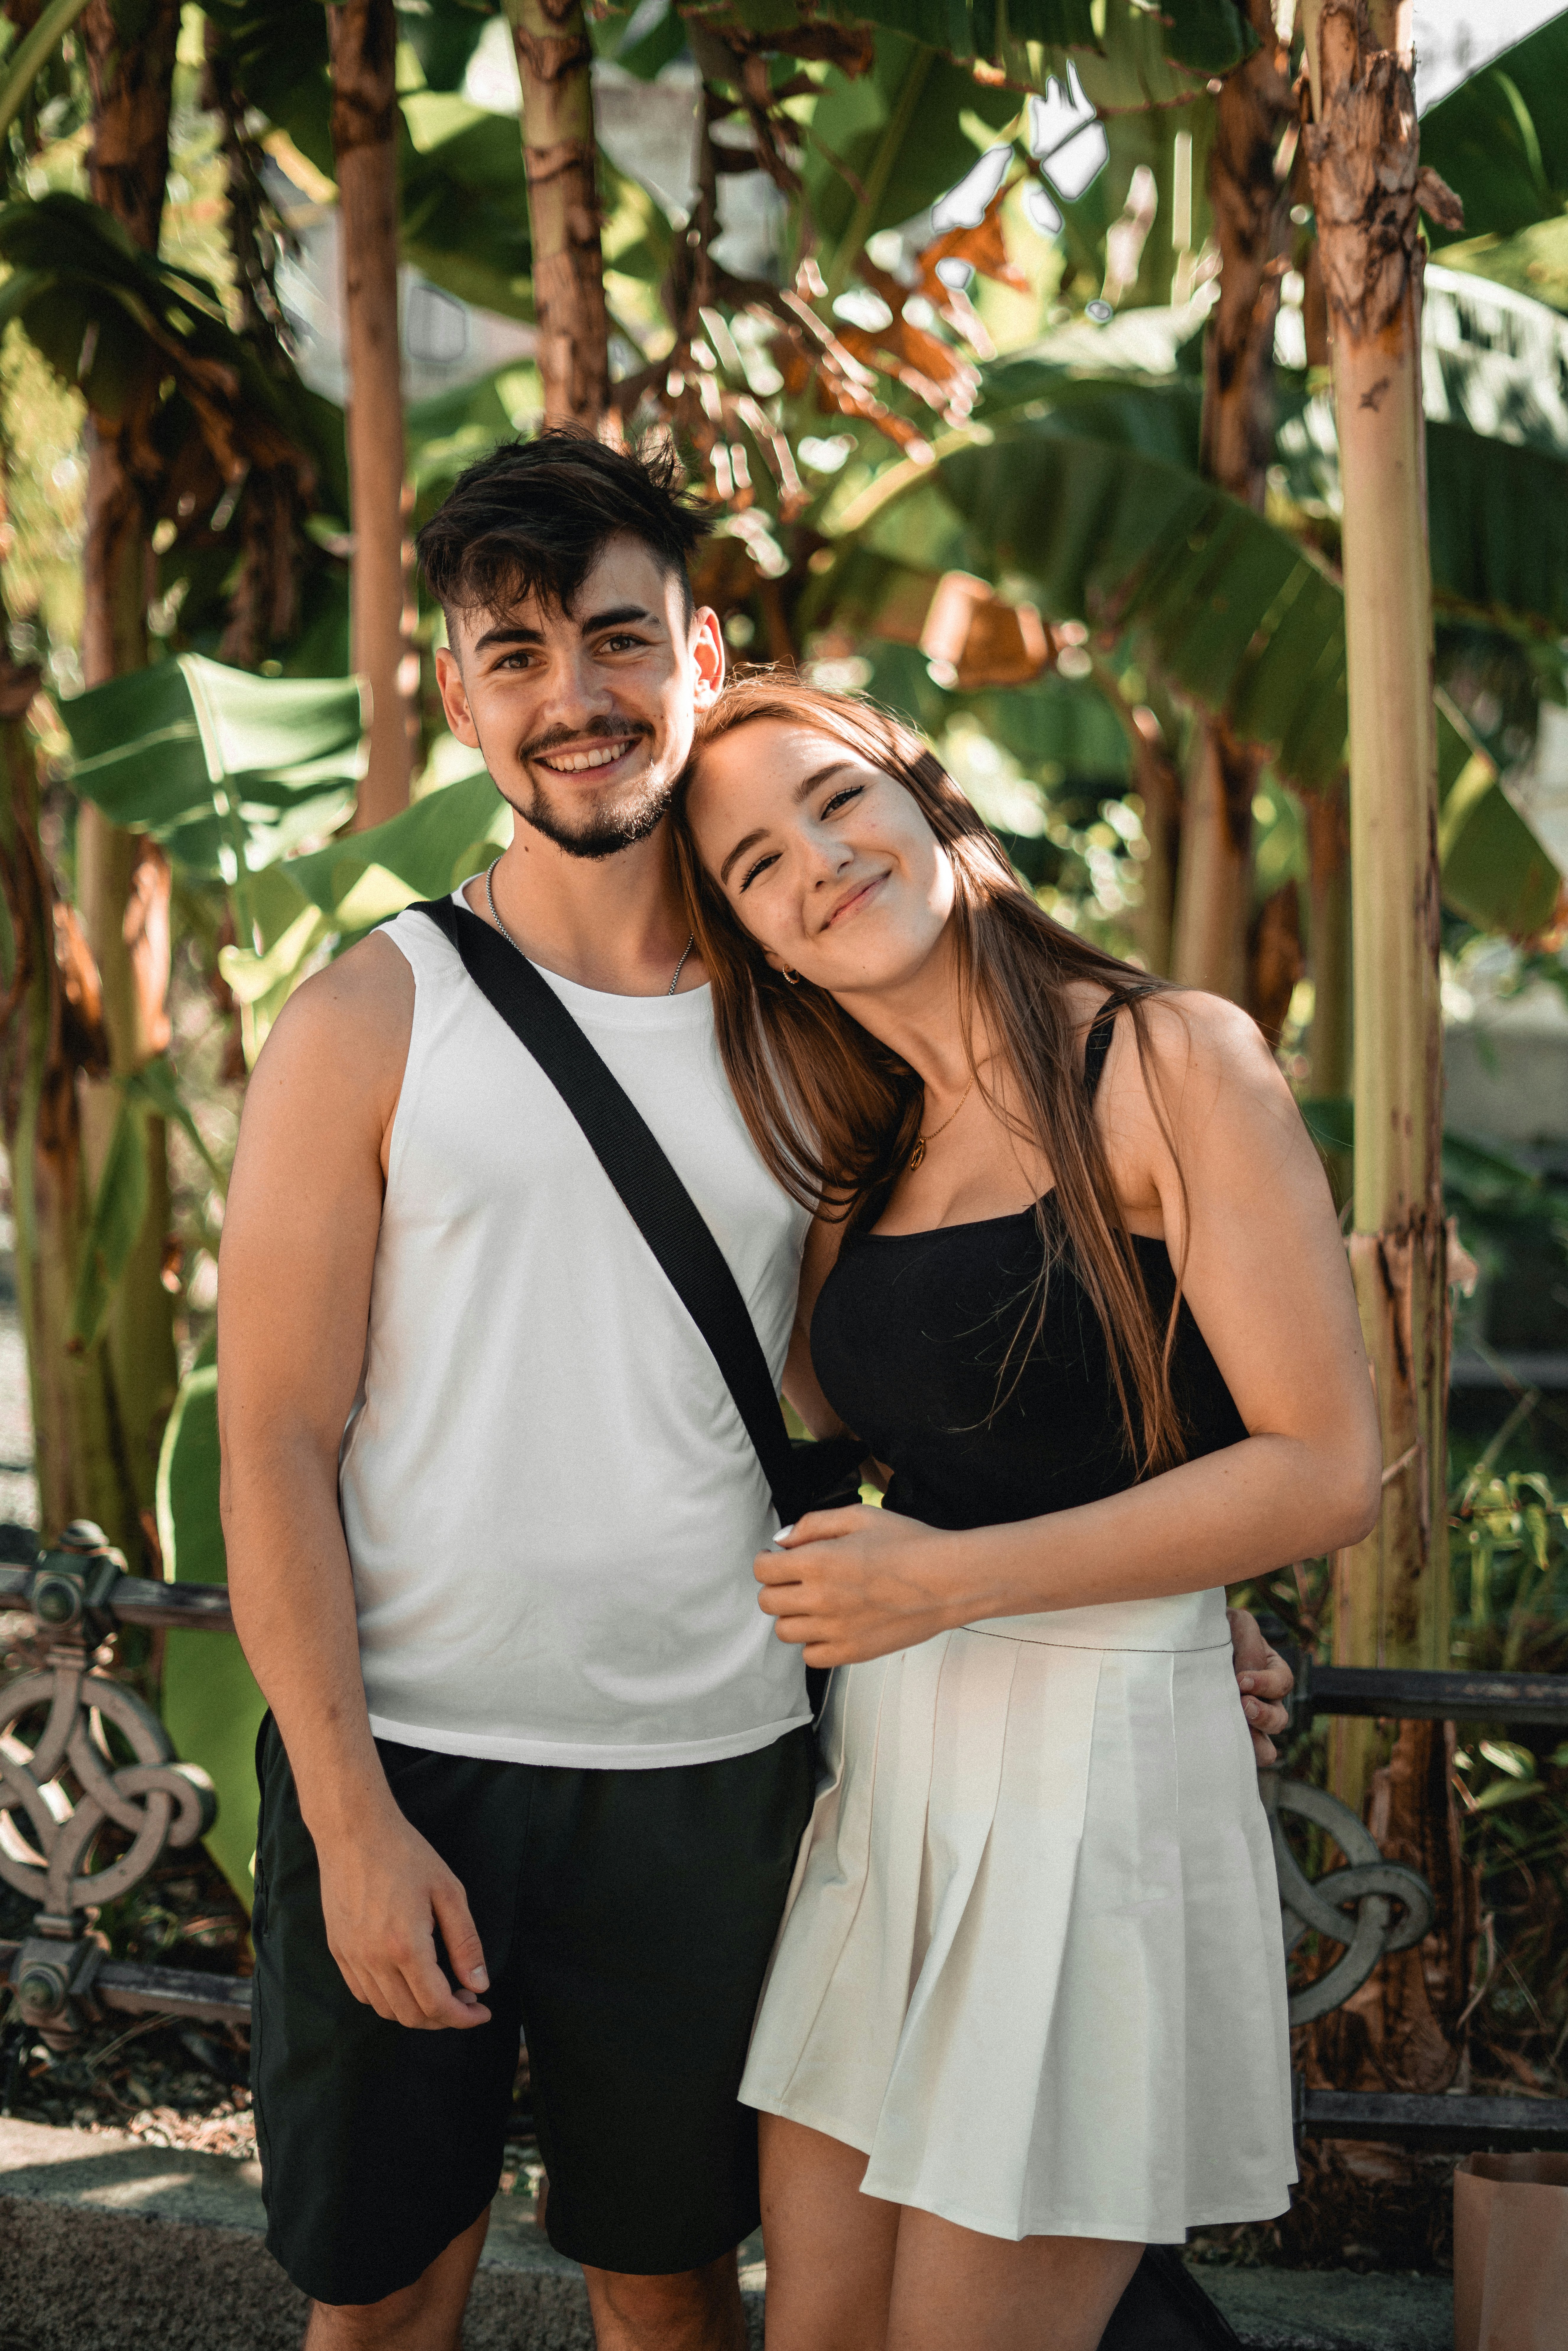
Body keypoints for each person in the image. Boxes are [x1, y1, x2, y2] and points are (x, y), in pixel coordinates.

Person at [218, 430, 1295, 2351]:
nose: (577, 697)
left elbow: (941, 1373)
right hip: (423, 1756)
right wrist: (350, 1812)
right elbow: (274, 1439)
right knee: (381, 2300)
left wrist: (1167, 1606)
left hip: (724, 1772)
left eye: (616, 640)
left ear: (698, 657)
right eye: (520, 655)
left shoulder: (822, 1029)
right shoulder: (374, 1012)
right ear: (459, 696)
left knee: (678, 2296)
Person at [675, 673, 1383, 2351]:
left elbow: (1320, 1464)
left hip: (1093, 1791)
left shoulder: (1162, 1057)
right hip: (898, 1782)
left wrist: (969, 1584)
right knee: (823, 2331)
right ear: (757, 945)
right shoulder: (871, 1152)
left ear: (925, 792)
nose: (820, 865)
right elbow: (963, 1445)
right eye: (758, 867)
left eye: (836, 802)